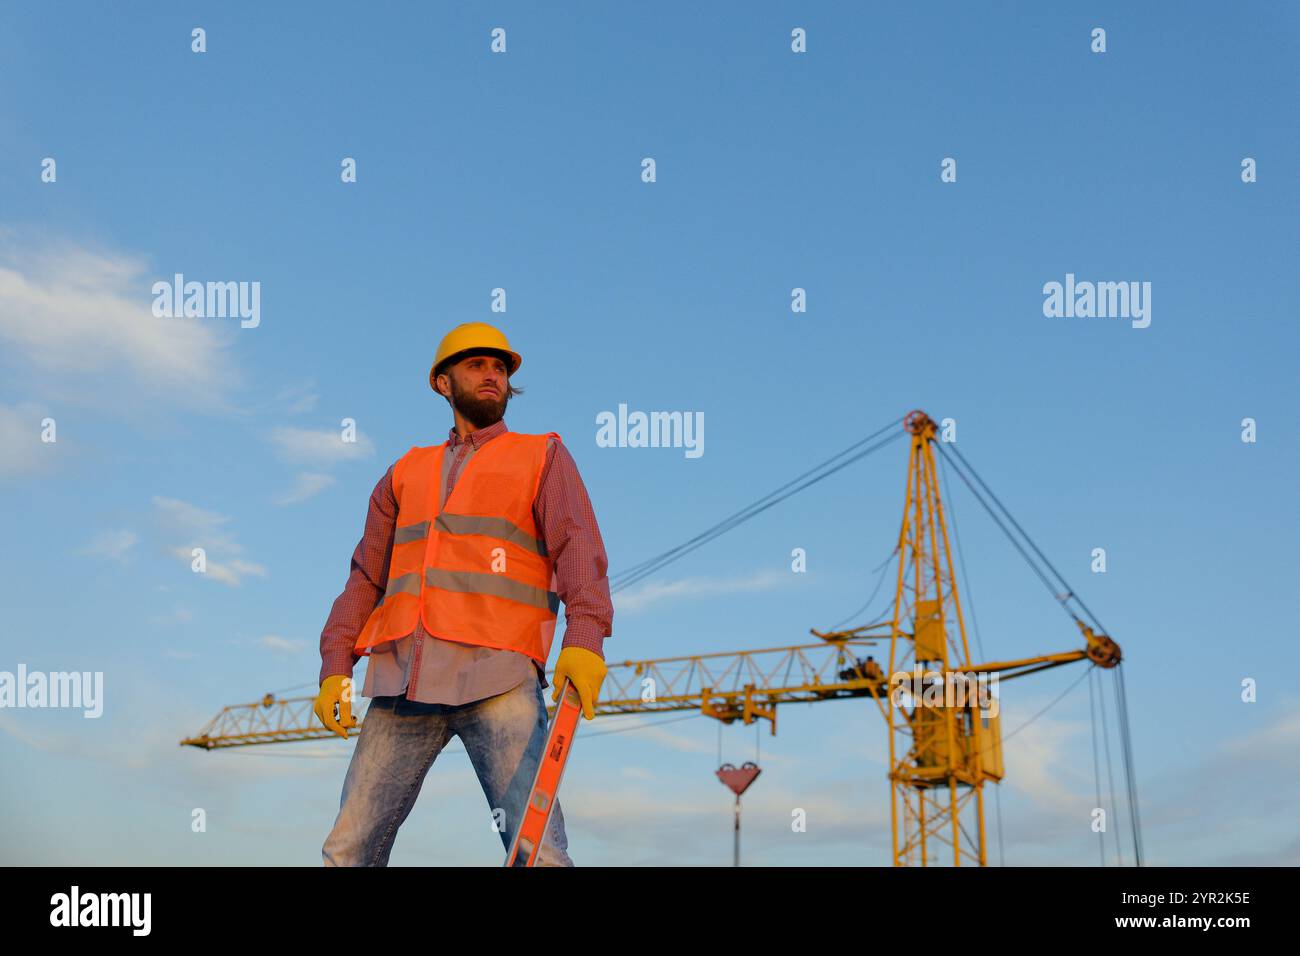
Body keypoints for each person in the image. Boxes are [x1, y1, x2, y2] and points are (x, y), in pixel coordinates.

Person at [315, 321, 613, 866]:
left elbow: (580, 548)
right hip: (403, 681)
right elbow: (365, 578)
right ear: (441, 382)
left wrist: (586, 640)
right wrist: (336, 663)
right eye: (477, 365)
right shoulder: (404, 472)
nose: (492, 376)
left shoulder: (541, 456)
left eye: (500, 368)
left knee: (537, 852)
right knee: (347, 850)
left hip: (498, 675)